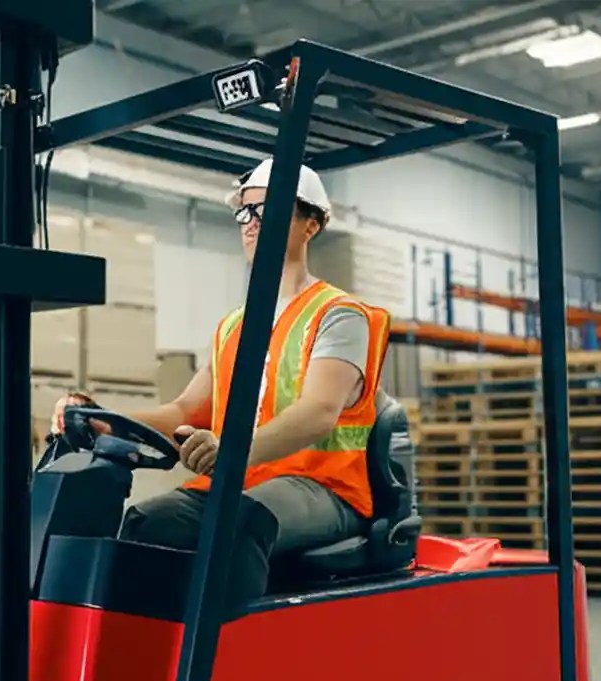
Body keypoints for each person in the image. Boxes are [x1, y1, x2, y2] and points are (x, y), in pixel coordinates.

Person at [50, 158, 391, 605]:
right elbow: (183, 411)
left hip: (322, 487)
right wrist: (104, 421)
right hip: (245, 479)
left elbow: (318, 413)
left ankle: (236, 661)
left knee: (236, 522)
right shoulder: (234, 326)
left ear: (311, 223)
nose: (249, 223)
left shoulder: (339, 315)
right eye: (243, 212)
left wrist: (231, 450)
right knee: (144, 524)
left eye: (265, 210)